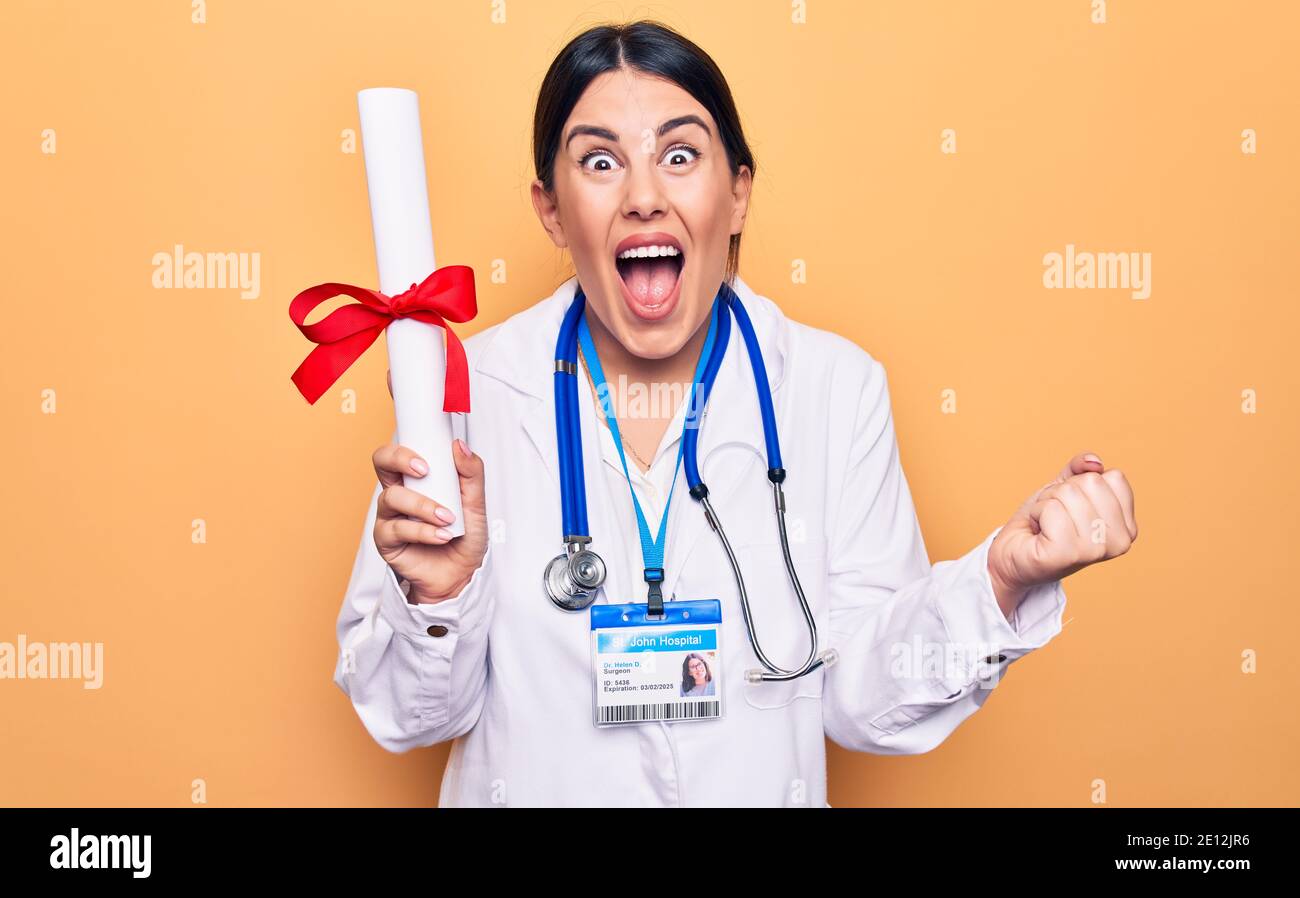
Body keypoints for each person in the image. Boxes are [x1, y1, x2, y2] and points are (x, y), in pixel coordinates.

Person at [332, 20, 1138, 808]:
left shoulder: (833, 387)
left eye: (679, 156)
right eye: (601, 162)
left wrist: (997, 581)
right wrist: (437, 600)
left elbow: (861, 699)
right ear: (550, 209)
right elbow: (409, 720)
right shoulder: (465, 391)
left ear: (738, 193)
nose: (645, 196)